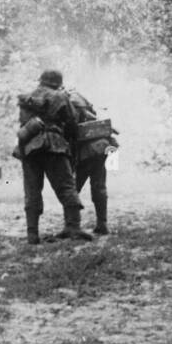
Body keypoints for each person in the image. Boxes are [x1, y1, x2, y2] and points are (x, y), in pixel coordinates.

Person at [16, 69, 91, 244]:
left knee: (32, 190)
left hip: (30, 146)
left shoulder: (27, 97)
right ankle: (73, 227)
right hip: (55, 146)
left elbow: (23, 123)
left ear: (41, 80)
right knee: (66, 186)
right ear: (58, 82)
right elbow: (72, 122)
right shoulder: (60, 96)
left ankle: (32, 234)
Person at [61, 76, 115, 236]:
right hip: (102, 146)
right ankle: (102, 224)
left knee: (72, 188)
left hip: (86, 150)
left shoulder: (68, 101)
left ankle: (71, 225)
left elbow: (71, 128)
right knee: (99, 186)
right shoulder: (81, 98)